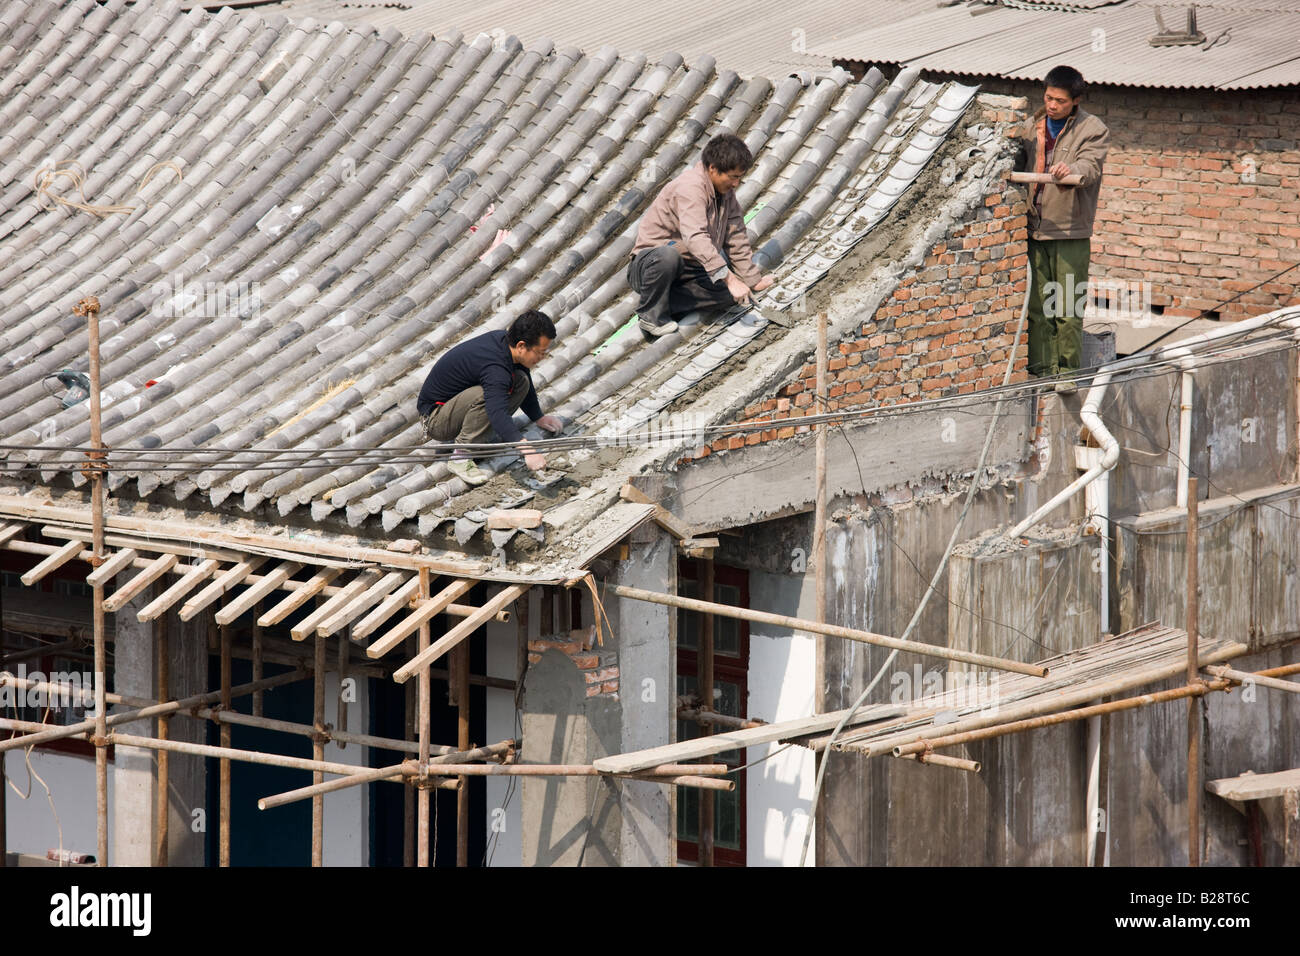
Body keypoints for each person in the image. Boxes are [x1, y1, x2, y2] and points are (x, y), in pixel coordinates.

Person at [1013, 65, 1110, 394]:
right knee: (1038, 306)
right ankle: (1041, 371)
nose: (1052, 105)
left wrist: (1072, 168)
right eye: (1048, 98)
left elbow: (1090, 166)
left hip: (1069, 230)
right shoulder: (1032, 126)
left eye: (1059, 100)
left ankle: (1067, 372)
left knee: (1066, 304)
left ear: (1076, 101)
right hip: (1035, 227)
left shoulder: (1092, 129)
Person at [628, 133, 775, 337]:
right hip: (652, 266)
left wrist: (750, 279)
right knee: (668, 256)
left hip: (692, 269)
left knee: (735, 296)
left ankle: (665, 302)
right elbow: (695, 236)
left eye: (739, 178)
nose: (736, 184)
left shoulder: (726, 193)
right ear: (713, 168)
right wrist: (730, 279)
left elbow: (736, 235)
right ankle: (650, 315)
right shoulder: (690, 188)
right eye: (733, 177)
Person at [417, 310, 562, 486]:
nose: (542, 357)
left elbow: (525, 379)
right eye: (540, 352)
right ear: (522, 346)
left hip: (455, 408)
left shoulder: (506, 343)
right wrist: (528, 450)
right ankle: (461, 456)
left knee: (521, 380)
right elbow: (497, 411)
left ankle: (479, 436)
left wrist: (538, 417)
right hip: (435, 419)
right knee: (484, 396)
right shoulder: (496, 368)